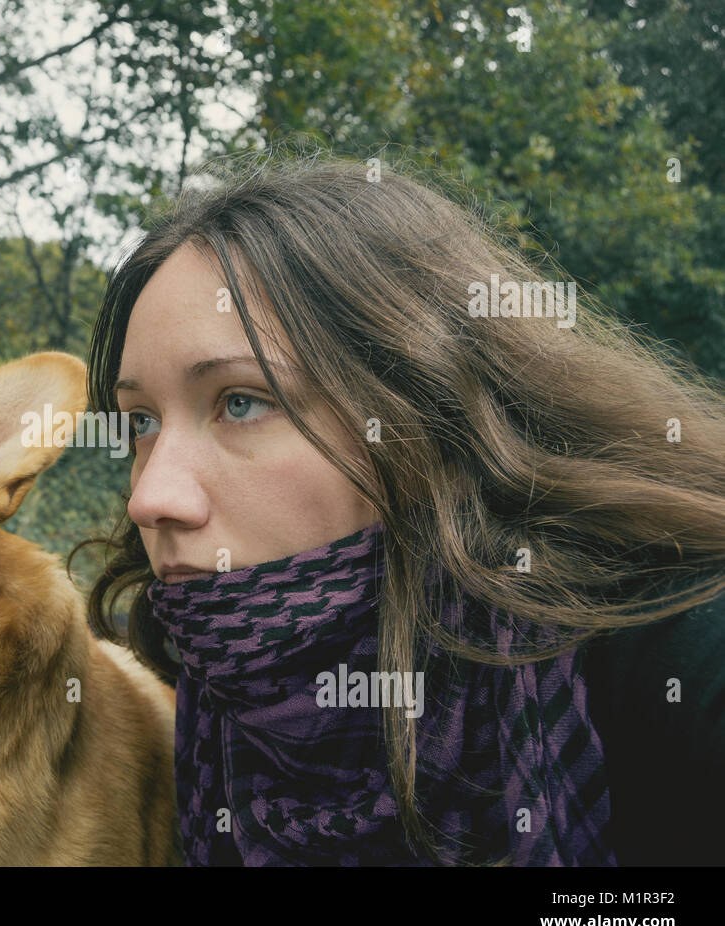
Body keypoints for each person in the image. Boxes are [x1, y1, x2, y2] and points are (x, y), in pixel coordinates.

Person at [74, 147, 725, 866]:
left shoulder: (675, 653)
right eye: (140, 422)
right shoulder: (168, 700)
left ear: (424, 411)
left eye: (241, 402)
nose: (149, 496)